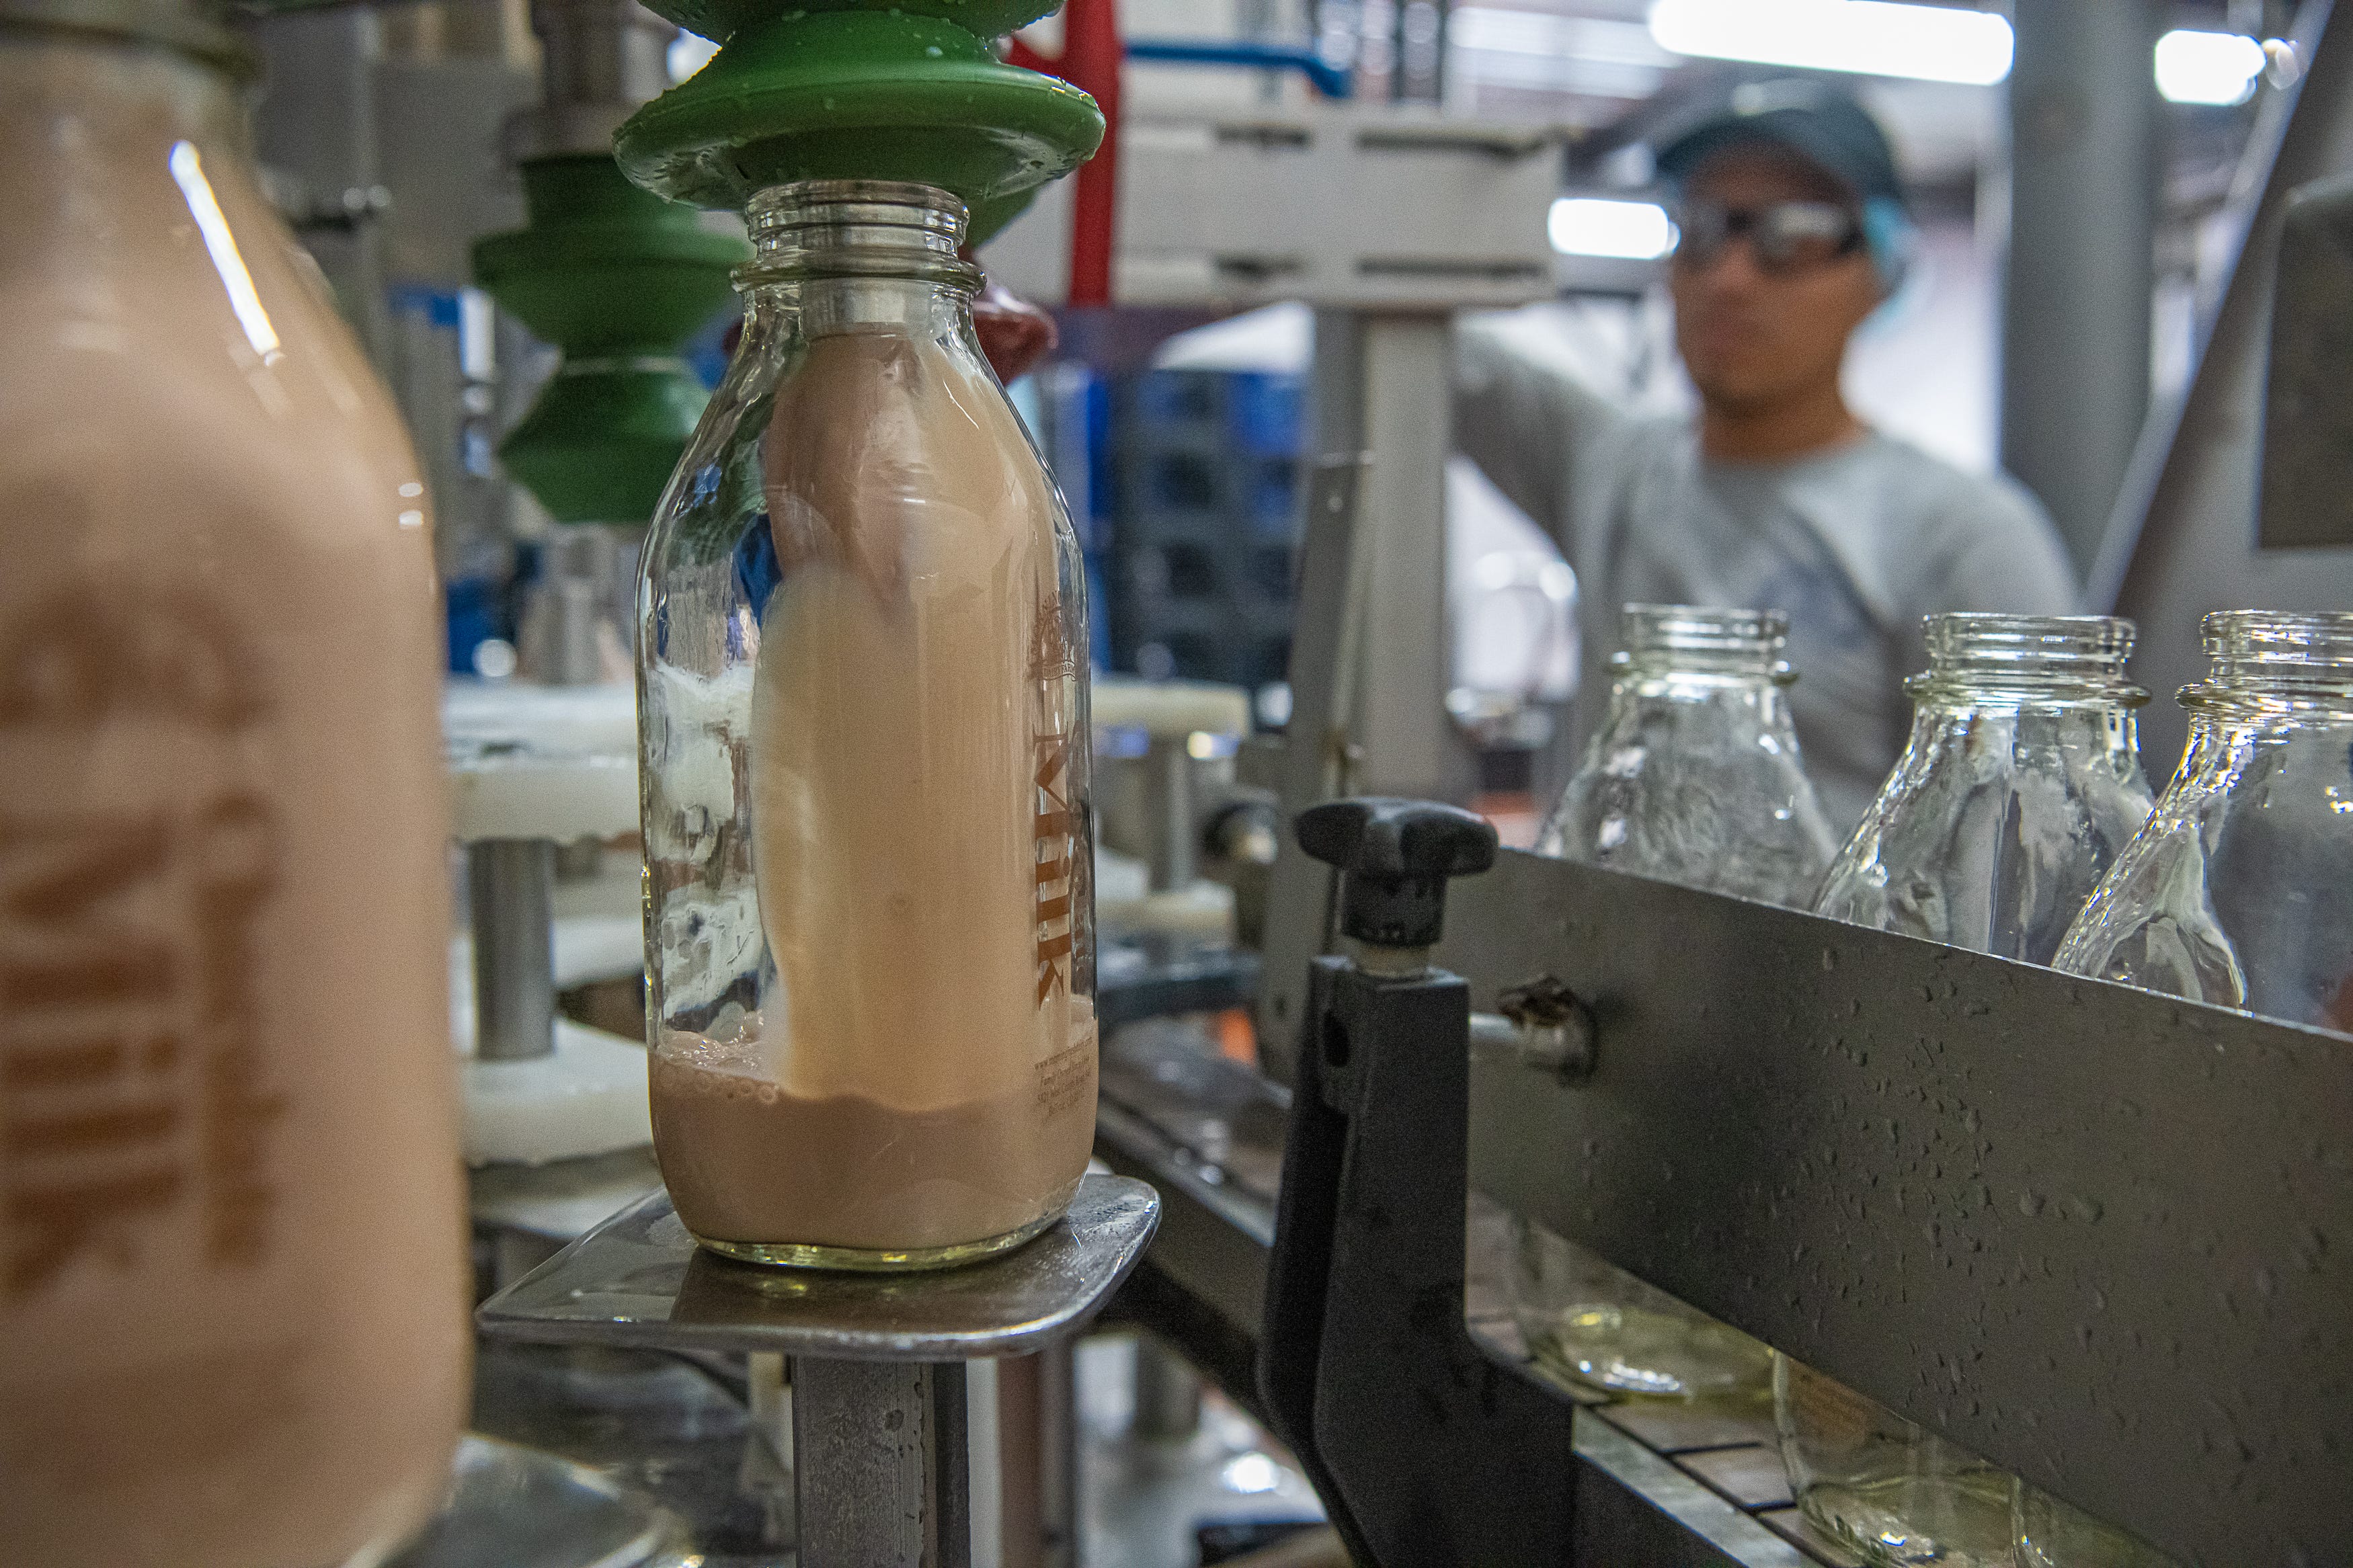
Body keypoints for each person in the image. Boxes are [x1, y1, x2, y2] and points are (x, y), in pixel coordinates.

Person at [1456, 82, 2077, 830]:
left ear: (1879, 274)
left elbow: (2028, 847)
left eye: (1792, 235)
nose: (1729, 278)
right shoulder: (1613, 470)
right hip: (1594, 937)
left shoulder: (1961, 536)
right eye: (1703, 230)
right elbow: (1424, 347)